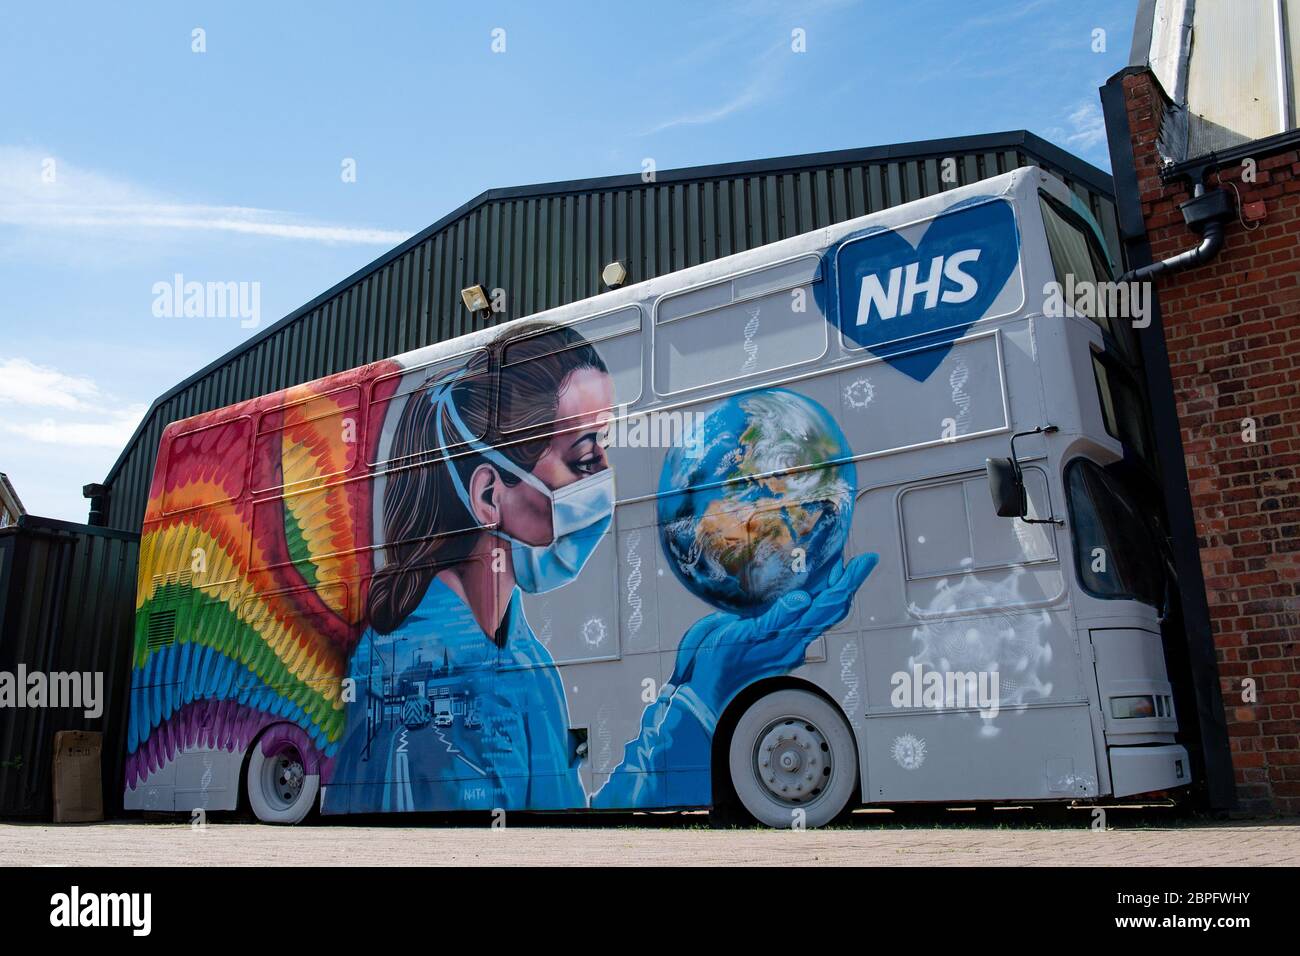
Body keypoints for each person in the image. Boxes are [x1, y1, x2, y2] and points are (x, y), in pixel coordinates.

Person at [325, 322, 875, 814]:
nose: (606, 480)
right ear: (489, 494)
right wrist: (698, 701)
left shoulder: (516, 653)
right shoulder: (432, 688)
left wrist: (694, 692)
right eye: (585, 458)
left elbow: (571, 823)